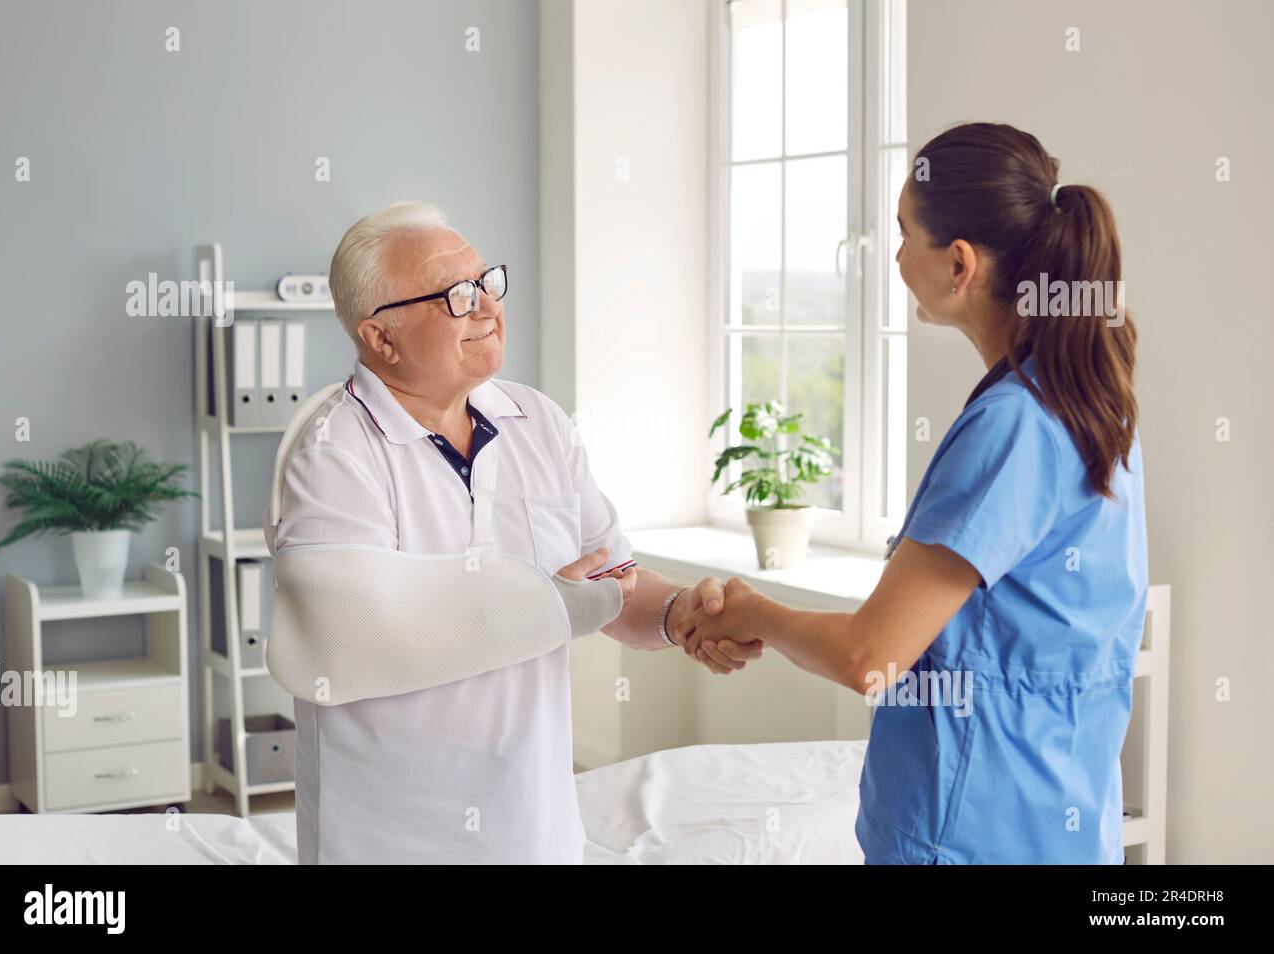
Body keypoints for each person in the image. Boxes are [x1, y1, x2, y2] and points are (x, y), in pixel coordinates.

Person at [690, 122, 1147, 864]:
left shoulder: (1011, 429)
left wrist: (753, 614)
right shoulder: (1093, 405)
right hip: (1060, 821)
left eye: (904, 233)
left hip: (970, 835)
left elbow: (872, 656)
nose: (896, 255)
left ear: (959, 263)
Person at [271, 201, 762, 864]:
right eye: (456, 296)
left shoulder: (539, 422)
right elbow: (343, 647)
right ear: (380, 338)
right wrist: (552, 604)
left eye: (487, 282)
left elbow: (610, 585)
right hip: (386, 839)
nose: (486, 308)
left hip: (534, 831)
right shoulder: (332, 450)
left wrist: (680, 616)